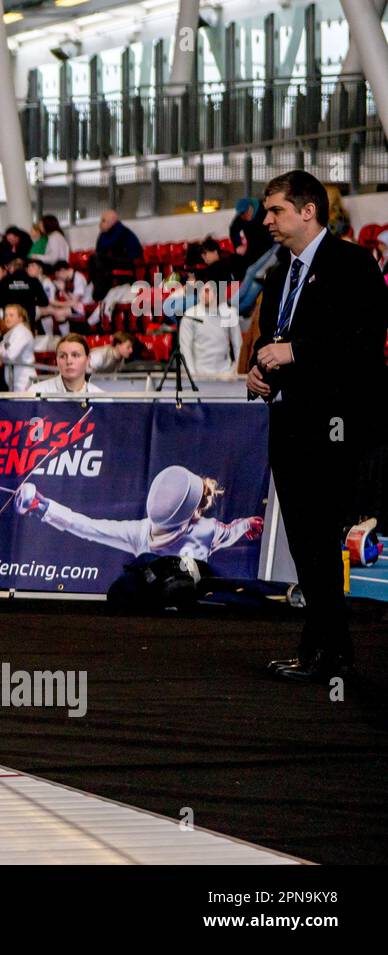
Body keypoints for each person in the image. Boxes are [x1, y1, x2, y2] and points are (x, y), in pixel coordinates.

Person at [246, 170, 388, 682]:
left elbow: (365, 344)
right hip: (288, 422)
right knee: (305, 541)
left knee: (323, 537)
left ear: (308, 210)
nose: (267, 221)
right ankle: (324, 647)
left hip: (336, 425)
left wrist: (296, 351)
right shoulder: (282, 271)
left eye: (276, 210)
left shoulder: (353, 264)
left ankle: (328, 649)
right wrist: (258, 374)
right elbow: (268, 339)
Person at [15, 464, 263, 559]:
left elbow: (231, 530)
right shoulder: (141, 532)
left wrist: (247, 524)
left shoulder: (207, 529)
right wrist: (42, 506)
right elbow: (88, 526)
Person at [180, 280, 242, 377]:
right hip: (199, 374)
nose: (203, 294)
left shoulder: (230, 313)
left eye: (208, 291)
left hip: (225, 374)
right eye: (201, 290)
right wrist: (192, 375)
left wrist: (237, 371)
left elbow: (238, 345)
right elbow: (185, 349)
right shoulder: (190, 315)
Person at [91, 210, 143, 301]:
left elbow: (112, 246)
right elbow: (99, 250)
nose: (100, 224)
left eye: (103, 221)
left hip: (126, 261)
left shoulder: (122, 232)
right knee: (95, 260)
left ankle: (100, 294)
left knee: (99, 261)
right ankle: (98, 293)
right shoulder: (104, 234)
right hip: (111, 261)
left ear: (112, 221)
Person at [31, 334, 105, 395]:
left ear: (87, 360)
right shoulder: (36, 392)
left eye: (75, 355)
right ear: (56, 360)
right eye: (62, 356)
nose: (69, 361)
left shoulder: (100, 398)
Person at [0, 303, 36, 392]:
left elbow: (11, 354)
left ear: (20, 318)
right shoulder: (10, 334)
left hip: (25, 383)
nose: (7, 318)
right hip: (14, 382)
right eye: (6, 315)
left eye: (11, 315)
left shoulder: (22, 332)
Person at [0, 258, 49, 331]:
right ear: (26, 268)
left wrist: (7, 301)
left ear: (12, 268)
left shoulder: (5, 281)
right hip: (28, 321)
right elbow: (44, 302)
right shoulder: (33, 281)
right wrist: (32, 301)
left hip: (10, 321)